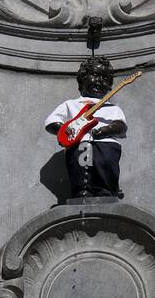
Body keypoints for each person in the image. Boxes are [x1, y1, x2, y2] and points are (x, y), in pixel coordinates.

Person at [45, 56, 127, 199]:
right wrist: (65, 130)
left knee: (106, 166)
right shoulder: (71, 104)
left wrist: (107, 130)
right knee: (80, 167)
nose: (99, 81)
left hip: (106, 145)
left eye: (105, 78)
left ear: (109, 86)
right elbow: (51, 121)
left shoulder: (113, 108)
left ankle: (107, 191)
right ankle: (83, 191)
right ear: (82, 78)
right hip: (80, 143)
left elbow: (121, 127)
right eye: (95, 75)